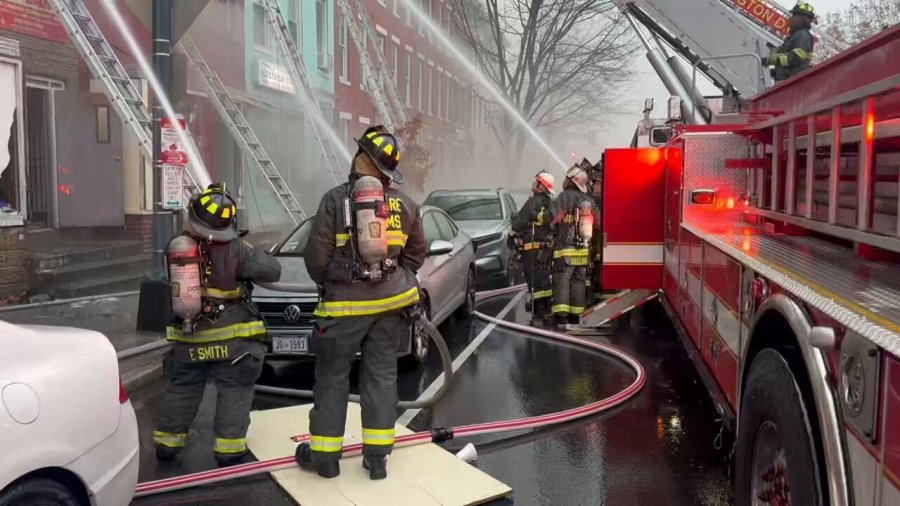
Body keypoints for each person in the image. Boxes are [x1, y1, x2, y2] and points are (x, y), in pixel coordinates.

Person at [296, 125, 427, 480]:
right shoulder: (405, 204)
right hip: (390, 309)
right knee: (382, 378)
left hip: (342, 310)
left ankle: (324, 458)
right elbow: (416, 255)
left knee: (332, 379)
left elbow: (316, 261)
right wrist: (392, 279)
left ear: (362, 158)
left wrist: (337, 283)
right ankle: (378, 458)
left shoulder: (334, 200)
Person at [154, 183, 282, 467]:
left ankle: (166, 443)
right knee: (234, 389)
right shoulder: (236, 249)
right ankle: (228, 449)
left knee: (183, 387)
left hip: (189, 338)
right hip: (232, 341)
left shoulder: (178, 248)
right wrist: (249, 250)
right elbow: (273, 271)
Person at [549, 166, 597, 329]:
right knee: (579, 282)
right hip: (583, 251)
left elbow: (553, 217)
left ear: (571, 181)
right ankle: (576, 316)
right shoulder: (588, 200)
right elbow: (598, 221)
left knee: (562, 280)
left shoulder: (564, 197)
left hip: (565, 250)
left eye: (567, 178)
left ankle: (562, 318)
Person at [511, 171, 555, 324]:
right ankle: (546, 306)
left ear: (541, 186)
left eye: (537, 182)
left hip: (532, 247)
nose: (534, 184)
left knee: (533, 277)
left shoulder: (532, 202)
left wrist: (514, 223)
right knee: (544, 276)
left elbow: (518, 223)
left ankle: (537, 308)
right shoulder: (551, 203)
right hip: (546, 248)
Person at [767, 2, 816, 82]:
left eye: (794, 15)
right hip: (783, 81)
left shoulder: (803, 36)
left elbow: (795, 58)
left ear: (803, 19)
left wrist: (775, 57)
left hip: (787, 82)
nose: (791, 18)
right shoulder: (796, 35)